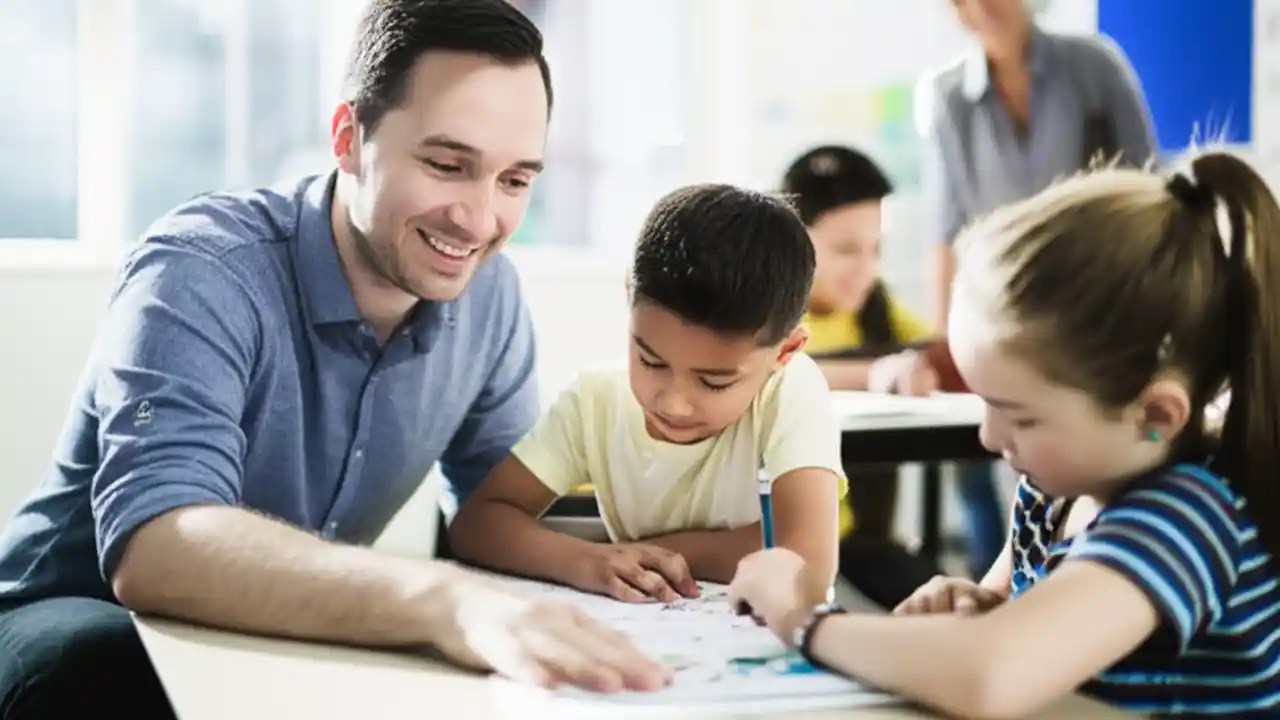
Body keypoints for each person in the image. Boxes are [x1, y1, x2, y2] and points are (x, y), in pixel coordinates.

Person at [0, 2, 673, 716]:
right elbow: (160, 547)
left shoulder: (490, 296)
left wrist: (652, 547)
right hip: (74, 629)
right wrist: (444, 599)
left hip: (272, 634)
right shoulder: (202, 269)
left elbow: (498, 509)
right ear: (349, 138)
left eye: (514, 181)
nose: (478, 221)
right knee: (102, 662)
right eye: (447, 165)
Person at [727, 151, 1280, 717]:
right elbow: (1006, 633)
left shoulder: (1187, 517)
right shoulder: (1054, 492)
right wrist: (978, 607)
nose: (990, 438)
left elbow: (989, 675)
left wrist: (802, 618)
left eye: (1021, 416)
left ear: (1156, 415)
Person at [450, 184, 845, 607]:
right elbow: (476, 525)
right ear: (629, 299)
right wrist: (586, 559)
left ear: (784, 352)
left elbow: (807, 564)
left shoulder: (790, 389)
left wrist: (654, 553)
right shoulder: (596, 400)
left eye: (714, 382)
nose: (673, 402)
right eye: (651, 362)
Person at [923, 0, 1160, 580]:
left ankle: (1081, 578)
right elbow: (949, 229)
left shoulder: (1093, 65)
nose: (981, 9)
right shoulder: (949, 94)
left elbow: (1147, 192)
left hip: (1092, 308)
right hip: (997, 311)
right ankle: (993, 584)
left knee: (1073, 459)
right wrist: (947, 341)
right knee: (990, 459)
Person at [782, 145, 947, 607]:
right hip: (788, 548)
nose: (867, 270)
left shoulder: (877, 311)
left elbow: (939, 351)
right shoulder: (765, 312)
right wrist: (874, 373)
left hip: (863, 544)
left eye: (876, 250)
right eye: (847, 250)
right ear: (794, 241)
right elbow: (758, 370)